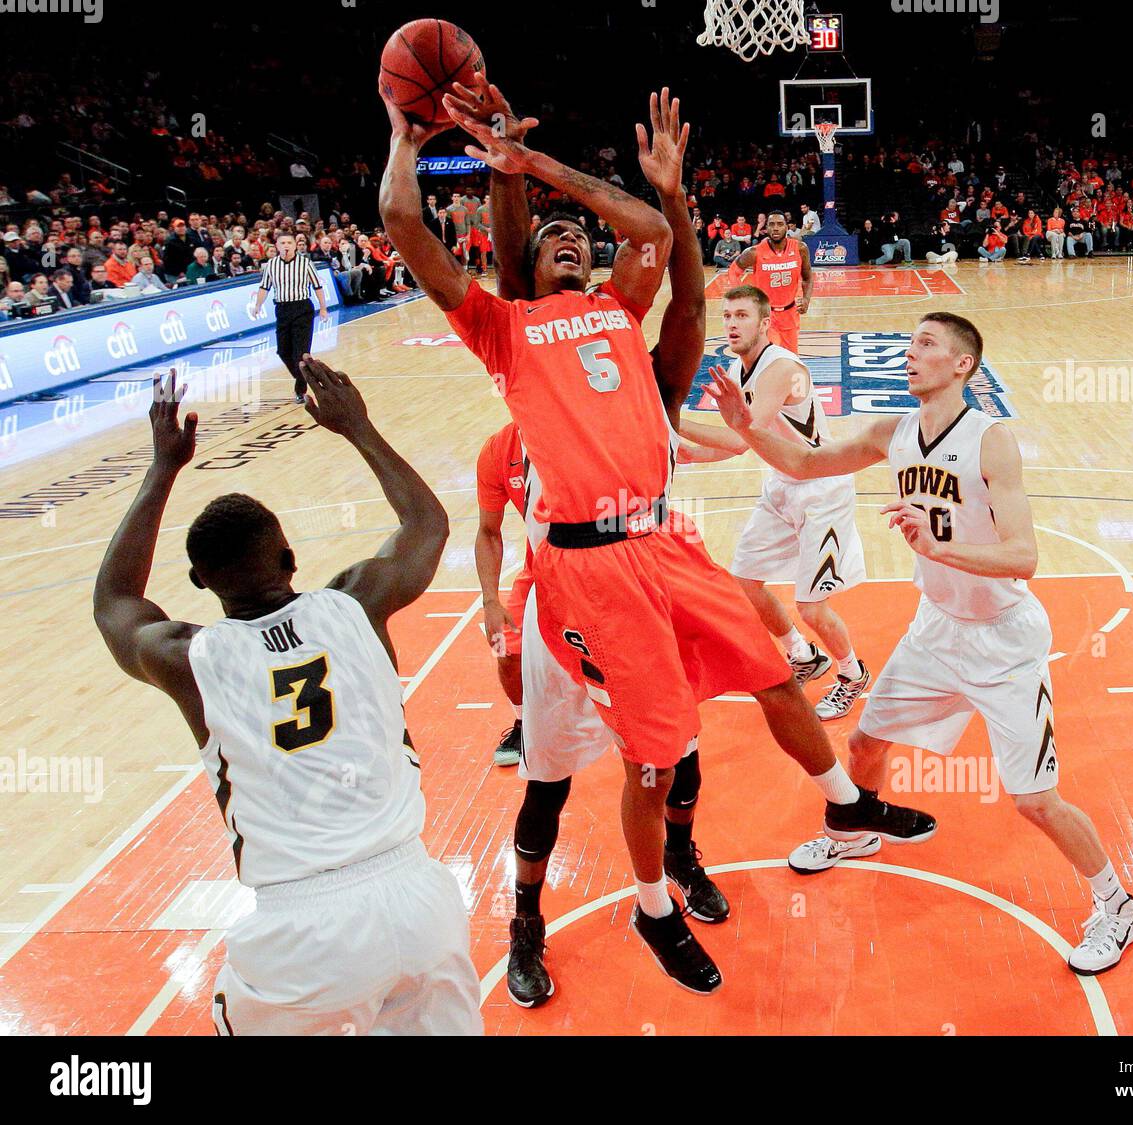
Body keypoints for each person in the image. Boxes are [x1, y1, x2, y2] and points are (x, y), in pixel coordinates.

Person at [384, 82, 910, 994]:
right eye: (551, 240)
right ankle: (592, 909)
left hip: (662, 540)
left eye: (577, 238)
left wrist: (561, 169)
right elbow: (406, 222)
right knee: (606, 768)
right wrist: (411, 137)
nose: (570, 241)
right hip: (578, 568)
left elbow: (660, 244)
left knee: (765, 681)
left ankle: (840, 804)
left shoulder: (622, 317)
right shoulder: (506, 330)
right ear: (525, 265)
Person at [708, 312, 1133, 976]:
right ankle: (849, 834)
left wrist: (941, 546)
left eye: (925, 344)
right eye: (909, 343)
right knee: (864, 743)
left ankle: (1117, 905)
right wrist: (746, 425)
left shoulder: (990, 442)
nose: (909, 354)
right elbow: (802, 460)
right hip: (935, 630)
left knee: (1034, 801)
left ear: (962, 364)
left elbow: (1024, 555)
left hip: (1004, 642)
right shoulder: (894, 431)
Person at [92, 366, 482, 1034]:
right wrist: (357, 427)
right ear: (291, 557)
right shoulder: (358, 602)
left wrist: (162, 469)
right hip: (421, 900)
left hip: (305, 928)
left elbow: (115, 602)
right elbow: (428, 524)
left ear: (200, 581)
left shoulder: (192, 657)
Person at [680, 285, 872, 720]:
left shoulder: (781, 369)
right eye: (727, 315)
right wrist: (681, 451)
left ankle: (852, 672)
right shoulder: (735, 368)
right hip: (782, 483)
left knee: (811, 606)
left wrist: (671, 417)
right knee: (746, 583)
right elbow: (734, 445)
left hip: (823, 491)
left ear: (765, 323)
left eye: (743, 315)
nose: (732, 323)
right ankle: (802, 655)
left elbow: (735, 436)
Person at [474, 419, 529, 767]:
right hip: (544, 565)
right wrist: (490, 600)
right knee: (505, 647)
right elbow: (488, 532)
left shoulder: (581, 428)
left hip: (605, 559)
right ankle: (525, 723)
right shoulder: (498, 450)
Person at [252, 233, 330, 403]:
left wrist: (323, 308)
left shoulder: (305, 263)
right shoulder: (271, 265)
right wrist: (257, 305)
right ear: (277, 246)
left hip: (302, 308)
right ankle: (305, 376)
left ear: (295, 245)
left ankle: (300, 390)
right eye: (282, 243)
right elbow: (264, 287)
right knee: (282, 351)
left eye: (289, 242)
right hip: (282, 309)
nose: (286, 245)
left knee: (300, 353)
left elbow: (317, 286)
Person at [725, 210, 812, 353]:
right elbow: (733, 271)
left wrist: (807, 299)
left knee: (790, 359)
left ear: (787, 227)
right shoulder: (754, 252)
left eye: (780, 224)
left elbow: (808, 277)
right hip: (765, 314)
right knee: (769, 358)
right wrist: (744, 299)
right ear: (766, 228)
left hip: (790, 313)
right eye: (771, 224)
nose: (776, 228)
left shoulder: (800, 248)